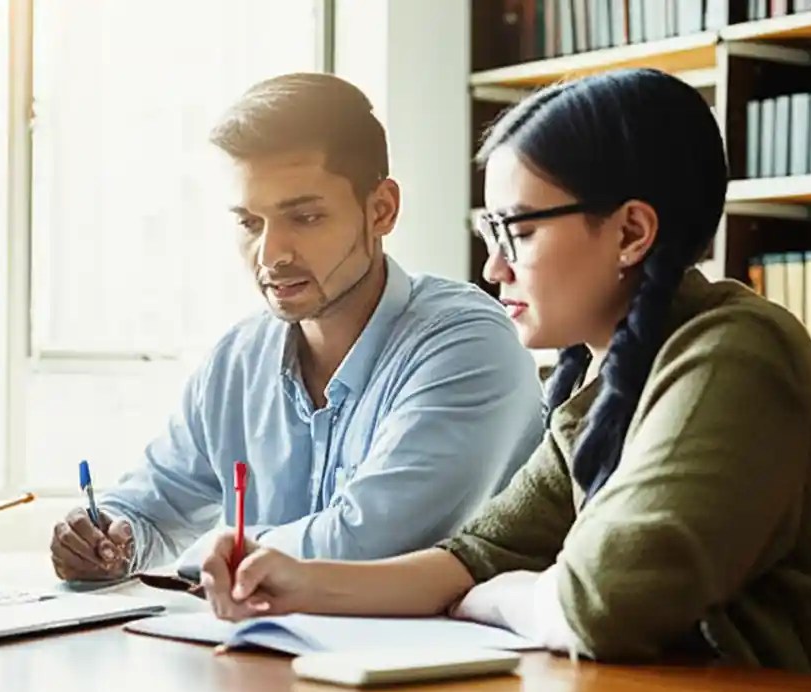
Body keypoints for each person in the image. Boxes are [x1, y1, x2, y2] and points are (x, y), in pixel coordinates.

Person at [197, 68, 811, 674]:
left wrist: (495, 598)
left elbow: (600, 604)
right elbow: (477, 554)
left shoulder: (733, 356)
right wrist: (298, 581)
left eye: (517, 233)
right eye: (488, 232)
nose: (494, 269)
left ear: (631, 232)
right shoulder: (604, 379)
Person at [50, 73, 545, 582]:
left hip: (447, 660)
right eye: (249, 223)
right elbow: (149, 508)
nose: (271, 255)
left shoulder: (468, 345)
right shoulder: (237, 360)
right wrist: (105, 540)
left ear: (381, 210)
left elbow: (363, 546)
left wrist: (216, 550)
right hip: (271, 653)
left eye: (304, 218)